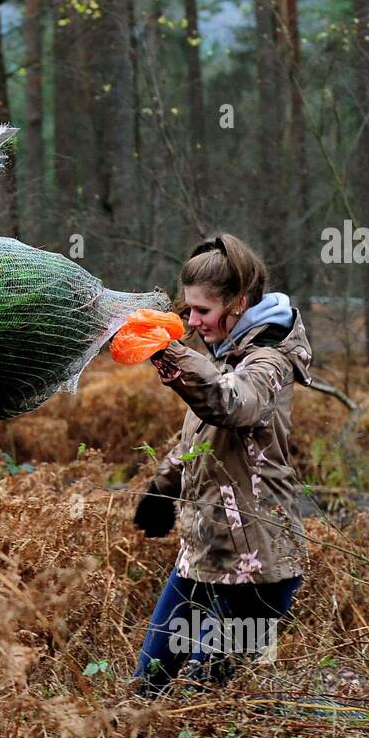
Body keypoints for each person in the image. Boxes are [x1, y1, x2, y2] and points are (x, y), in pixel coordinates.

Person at [130, 233, 313, 694]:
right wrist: (163, 486)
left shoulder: (269, 362)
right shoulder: (223, 354)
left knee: (201, 702)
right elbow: (203, 437)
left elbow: (233, 404)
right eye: (187, 310)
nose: (192, 321)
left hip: (258, 566)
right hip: (204, 554)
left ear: (239, 304)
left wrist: (168, 351)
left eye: (202, 311)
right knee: (148, 686)